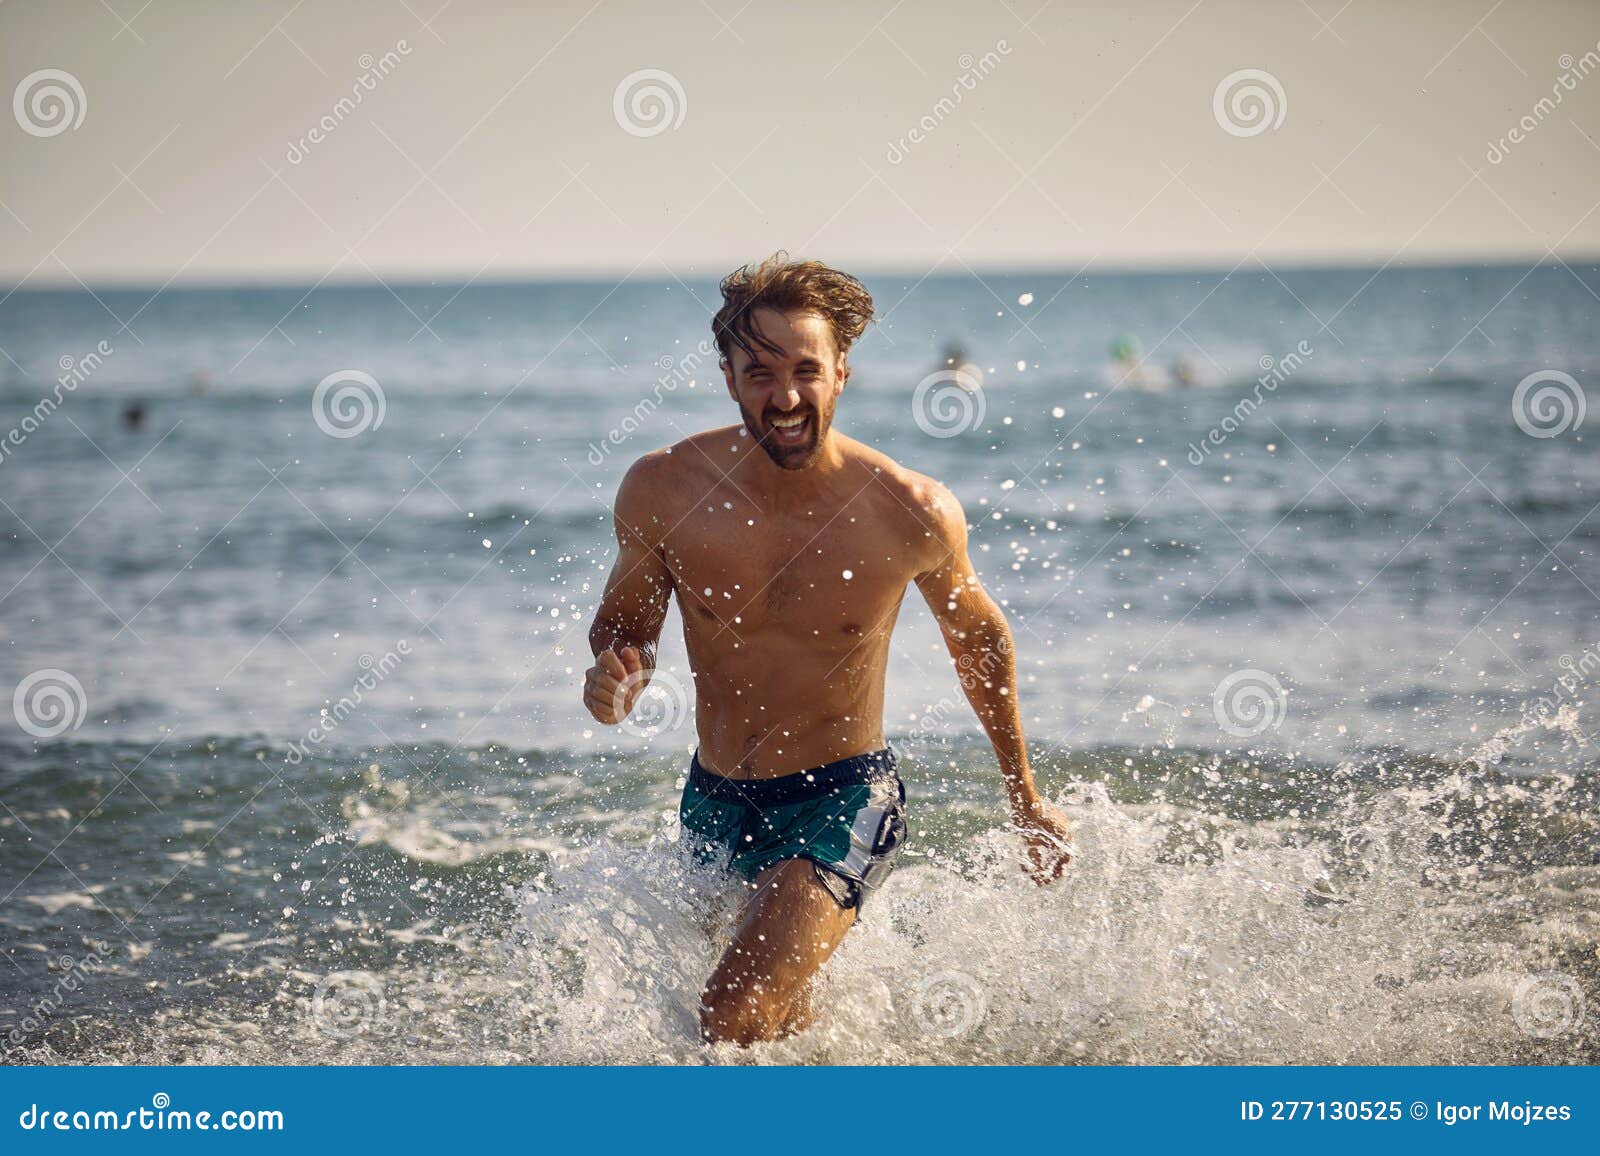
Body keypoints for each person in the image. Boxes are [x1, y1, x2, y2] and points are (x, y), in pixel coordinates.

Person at [582, 254, 1072, 1047]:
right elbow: (625, 626)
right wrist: (616, 673)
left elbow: (979, 644)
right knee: (773, 1030)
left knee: (730, 1015)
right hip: (714, 802)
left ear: (842, 371)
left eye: (805, 371)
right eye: (759, 373)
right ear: (729, 378)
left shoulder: (908, 510)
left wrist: (1026, 798)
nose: (785, 397)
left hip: (842, 799)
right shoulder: (665, 490)